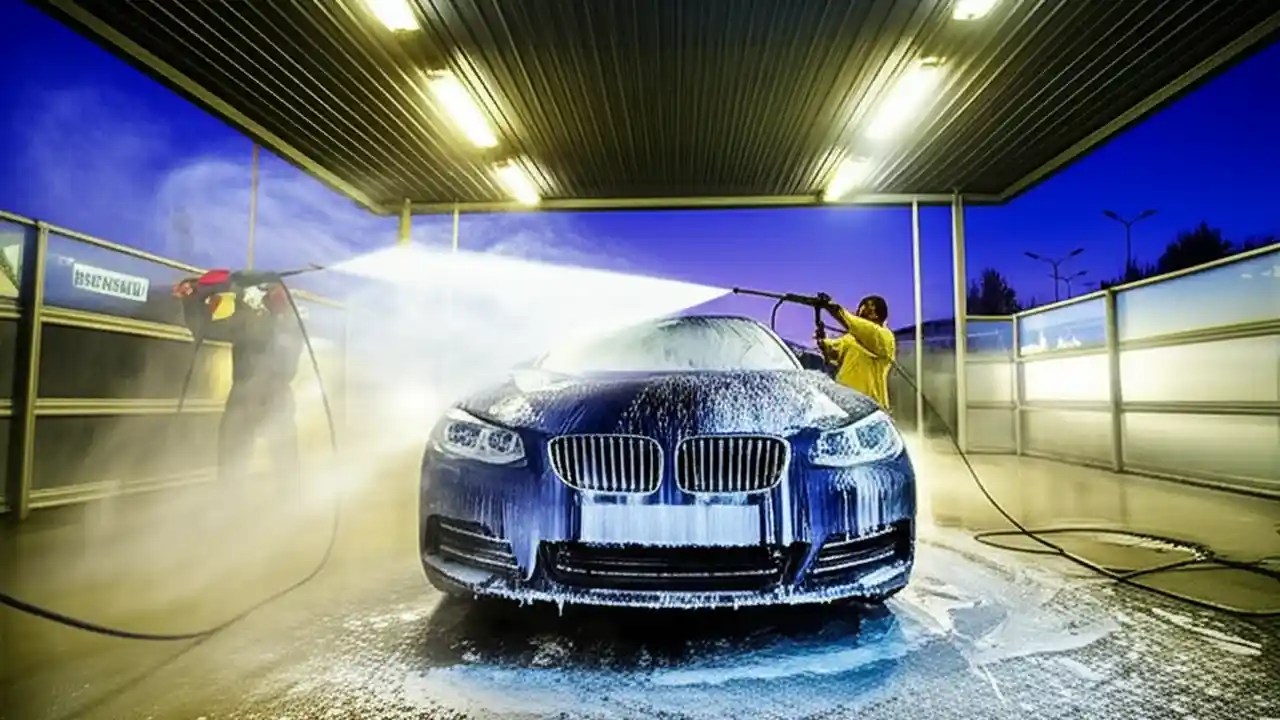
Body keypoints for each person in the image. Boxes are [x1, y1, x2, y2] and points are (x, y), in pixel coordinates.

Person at [173, 270, 304, 490]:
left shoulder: (283, 323)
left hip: (268, 400)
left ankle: (290, 508)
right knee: (233, 468)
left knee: (284, 470)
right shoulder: (252, 320)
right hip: (248, 400)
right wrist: (192, 299)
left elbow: (288, 366)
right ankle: (229, 509)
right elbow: (204, 328)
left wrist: (195, 299)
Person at [815, 294, 896, 410]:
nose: (859, 312)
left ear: (875, 314)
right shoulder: (851, 338)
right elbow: (834, 350)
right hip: (844, 403)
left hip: (870, 407)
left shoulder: (884, 337)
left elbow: (852, 322)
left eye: (864, 308)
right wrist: (823, 341)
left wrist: (833, 307)